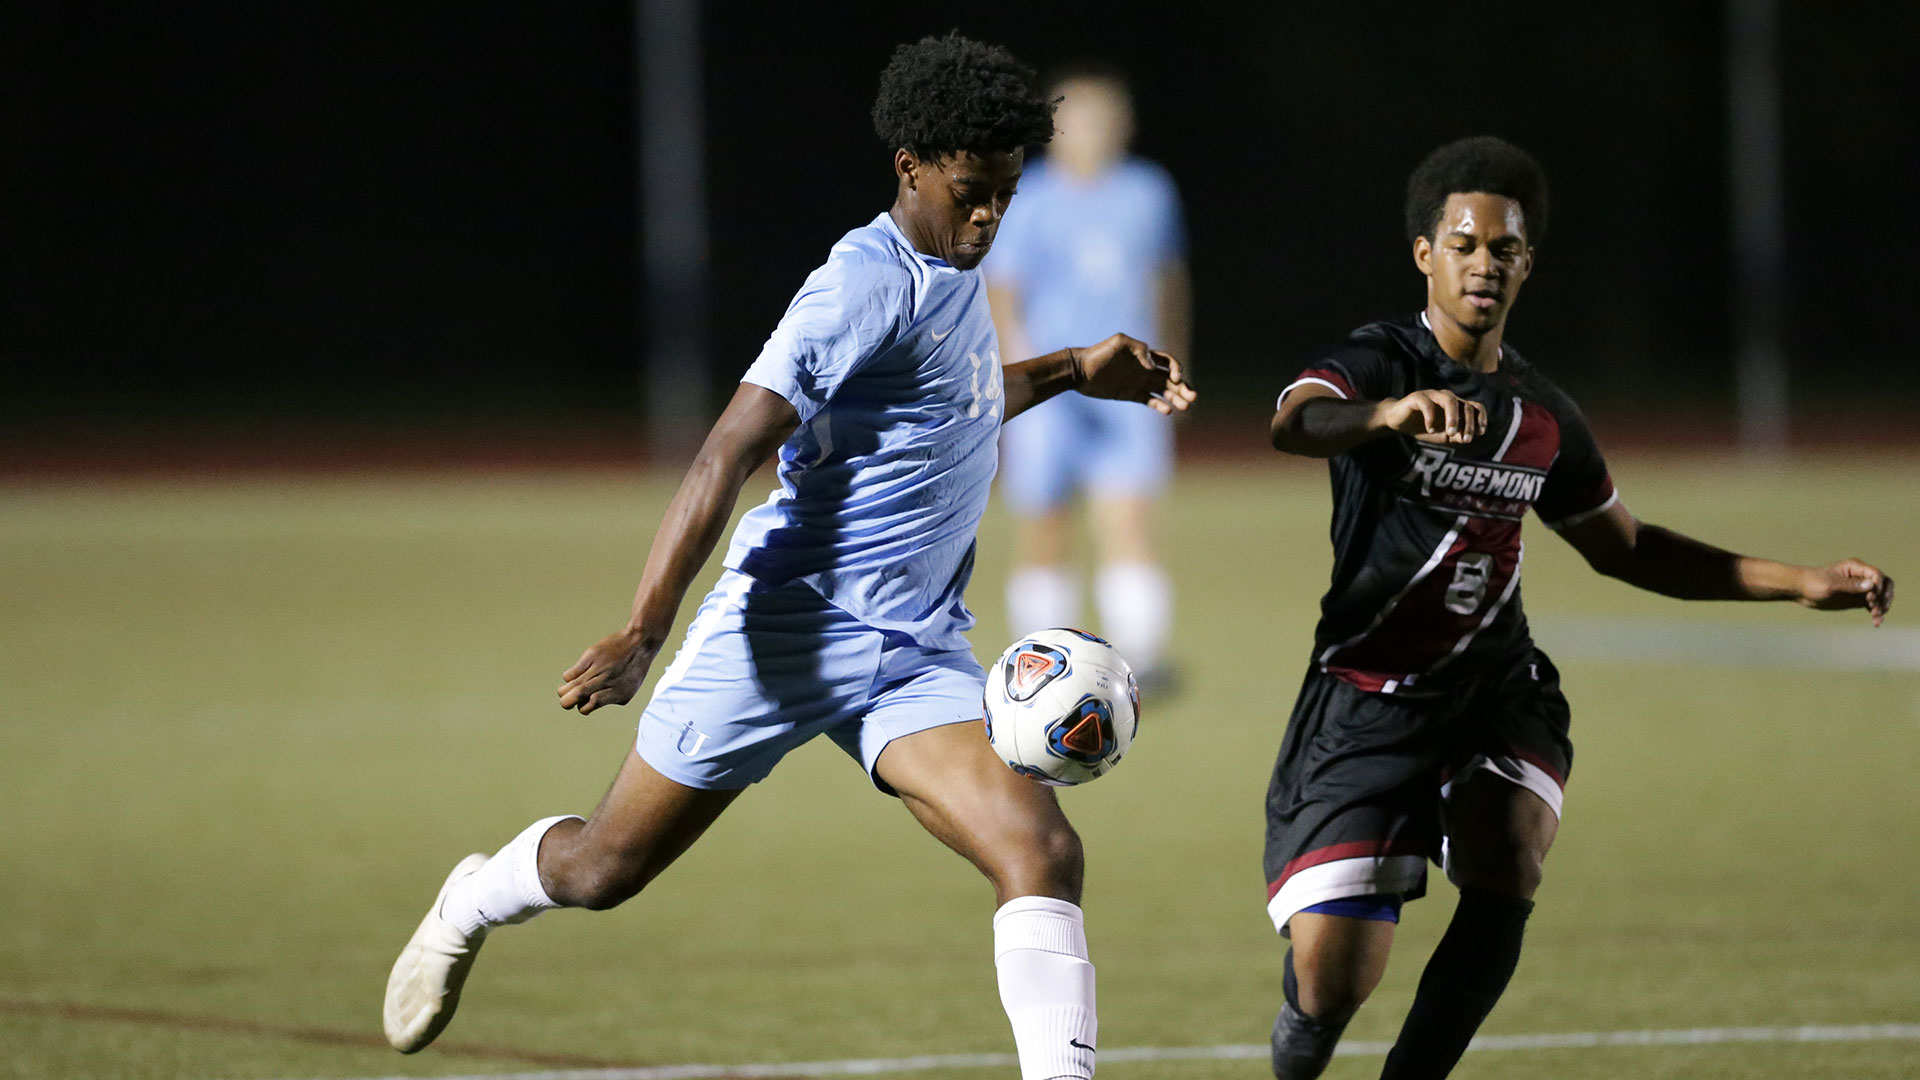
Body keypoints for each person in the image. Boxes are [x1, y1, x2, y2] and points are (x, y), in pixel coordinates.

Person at [380, 33, 1193, 1080]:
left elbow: (951, 405)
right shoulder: (858, 285)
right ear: (910, 168)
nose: (992, 217)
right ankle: (470, 901)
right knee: (603, 869)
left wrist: (1075, 366)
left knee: (1040, 851)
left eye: (1007, 195)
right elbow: (728, 448)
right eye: (972, 195)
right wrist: (644, 628)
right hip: (784, 632)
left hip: (912, 651)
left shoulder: (956, 263)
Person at [1261, 135, 1893, 1080]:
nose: (1484, 264)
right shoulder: (1381, 360)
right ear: (1426, 254)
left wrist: (1798, 581)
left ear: (1528, 264)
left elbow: (1625, 547)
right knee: (1333, 979)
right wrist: (1385, 416)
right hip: (1368, 695)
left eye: (1504, 249)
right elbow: (1295, 420)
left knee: (1509, 853)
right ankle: (1305, 1038)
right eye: (1464, 245)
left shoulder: (1543, 414)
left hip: (1495, 688)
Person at [987, 66, 1190, 687]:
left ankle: (1141, 658)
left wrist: (1170, 361)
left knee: (1128, 517)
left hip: (1127, 385)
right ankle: (1040, 663)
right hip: (1052, 386)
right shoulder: (1029, 198)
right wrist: (1018, 372)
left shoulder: (1148, 192)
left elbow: (1166, 281)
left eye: (1103, 121)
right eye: (1078, 122)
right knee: (1045, 523)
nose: (1092, 134)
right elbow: (1003, 290)